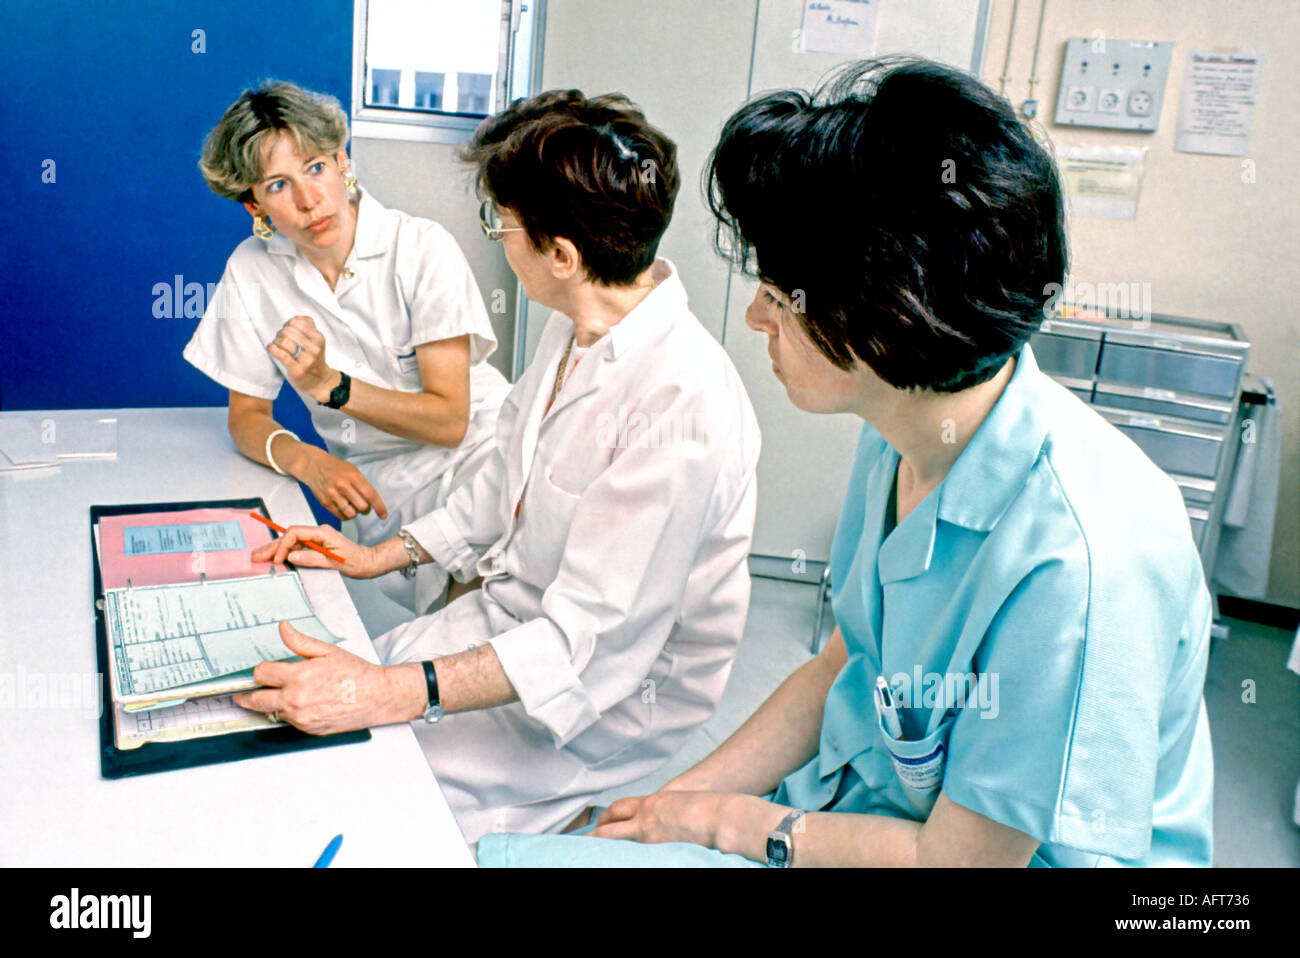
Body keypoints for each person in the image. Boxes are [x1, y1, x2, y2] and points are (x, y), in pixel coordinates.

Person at [474, 57, 1215, 867]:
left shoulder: (1082, 564)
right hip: (859, 810)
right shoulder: (904, 427)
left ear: (886, 311)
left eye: (778, 293)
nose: (756, 315)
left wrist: (727, 826)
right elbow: (845, 663)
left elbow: (962, 860)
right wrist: (673, 805)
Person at [235, 90, 762, 846]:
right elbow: (498, 488)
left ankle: (557, 824)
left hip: (597, 696)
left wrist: (386, 692)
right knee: (323, 697)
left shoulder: (681, 404)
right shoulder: (573, 328)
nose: (495, 239)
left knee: (371, 779)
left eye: (501, 223)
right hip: (516, 621)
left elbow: (582, 646)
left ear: (560, 255)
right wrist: (377, 555)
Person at [184, 81, 510, 613]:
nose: (309, 201)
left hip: (484, 447)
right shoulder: (251, 270)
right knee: (461, 620)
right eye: (278, 185)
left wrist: (331, 388)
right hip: (380, 480)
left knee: (501, 596)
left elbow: (451, 420)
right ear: (253, 204)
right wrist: (308, 461)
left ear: (343, 161)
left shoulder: (421, 248)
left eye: (315, 168)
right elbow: (246, 416)